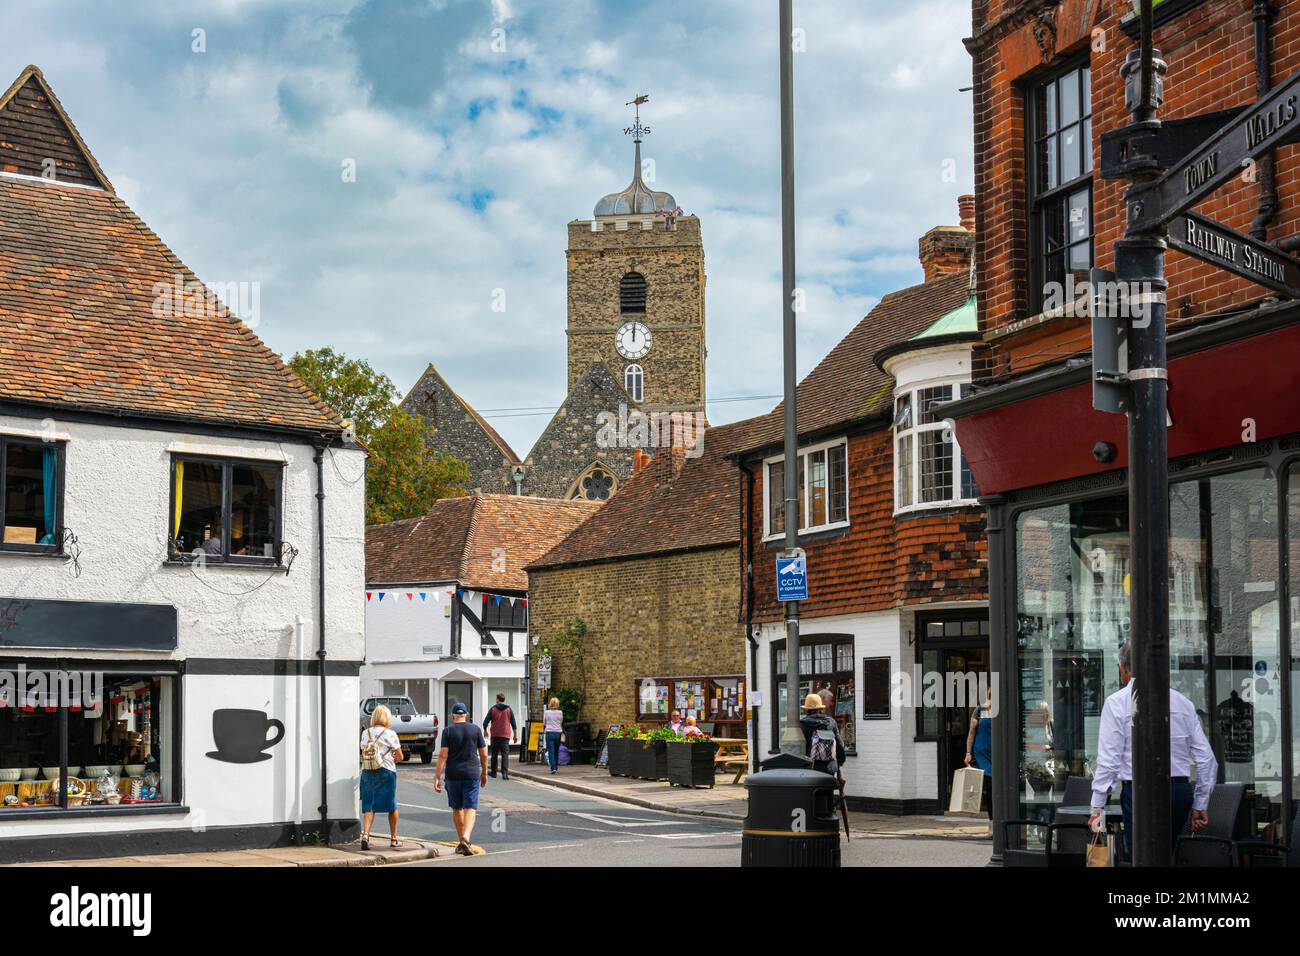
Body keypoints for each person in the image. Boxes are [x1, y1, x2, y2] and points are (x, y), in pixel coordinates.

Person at [1090, 640, 1217, 860]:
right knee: (1168, 854)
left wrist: (1097, 806)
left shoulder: (1117, 703)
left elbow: (1109, 761)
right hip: (1179, 791)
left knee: (1140, 857)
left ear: (1123, 666)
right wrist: (1200, 803)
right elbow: (1206, 759)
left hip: (1140, 791)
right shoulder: (1183, 703)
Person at [434, 702, 489, 855]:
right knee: (470, 807)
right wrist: (484, 773)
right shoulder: (476, 729)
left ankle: (461, 841)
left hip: (453, 774)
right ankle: (465, 838)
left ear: (452, 715)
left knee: (457, 808)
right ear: (466, 715)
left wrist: (437, 776)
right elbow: (484, 754)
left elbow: (443, 755)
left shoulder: (448, 731)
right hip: (471, 773)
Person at [359, 704, 403, 851]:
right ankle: (394, 839)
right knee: (392, 805)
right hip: (386, 771)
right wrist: (394, 758)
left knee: (369, 805)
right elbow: (400, 756)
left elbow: (362, 750)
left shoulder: (366, 733)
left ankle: (365, 835)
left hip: (368, 771)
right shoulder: (391, 734)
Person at [964, 686, 994, 818]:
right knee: (991, 783)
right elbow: (971, 732)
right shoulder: (980, 710)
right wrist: (968, 753)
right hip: (982, 753)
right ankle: (992, 820)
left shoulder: (1004, 709)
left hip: (999, 753)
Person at [799, 693, 845, 776]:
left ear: (807, 709)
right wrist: (840, 762)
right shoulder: (831, 722)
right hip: (829, 767)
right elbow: (839, 744)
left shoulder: (803, 724)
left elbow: (799, 748)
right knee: (827, 788)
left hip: (811, 767)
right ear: (820, 708)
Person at [482, 693, 517, 779]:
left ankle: (494, 772)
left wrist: (485, 731)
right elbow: (513, 723)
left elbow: (485, 722)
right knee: (505, 754)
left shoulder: (493, 709)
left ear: (497, 699)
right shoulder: (509, 709)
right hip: (505, 735)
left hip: (495, 734)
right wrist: (515, 735)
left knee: (494, 753)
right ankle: (505, 773)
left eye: (496, 698)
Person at [542, 697, 565, 774]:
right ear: (557, 704)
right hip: (558, 733)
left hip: (549, 733)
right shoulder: (560, 712)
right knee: (556, 751)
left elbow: (544, 723)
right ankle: (556, 767)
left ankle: (553, 768)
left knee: (551, 751)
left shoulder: (546, 712)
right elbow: (561, 722)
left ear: (550, 704)